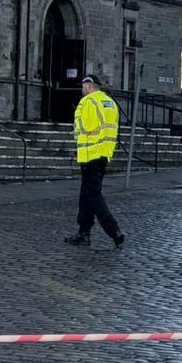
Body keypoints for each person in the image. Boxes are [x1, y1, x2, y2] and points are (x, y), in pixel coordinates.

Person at [64, 75, 125, 248]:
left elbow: (85, 127)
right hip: (104, 153)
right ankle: (84, 232)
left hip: (90, 153)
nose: (82, 90)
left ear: (89, 86)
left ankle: (114, 231)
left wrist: (77, 120)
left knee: (93, 194)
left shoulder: (87, 102)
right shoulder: (110, 103)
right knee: (87, 194)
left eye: (83, 87)